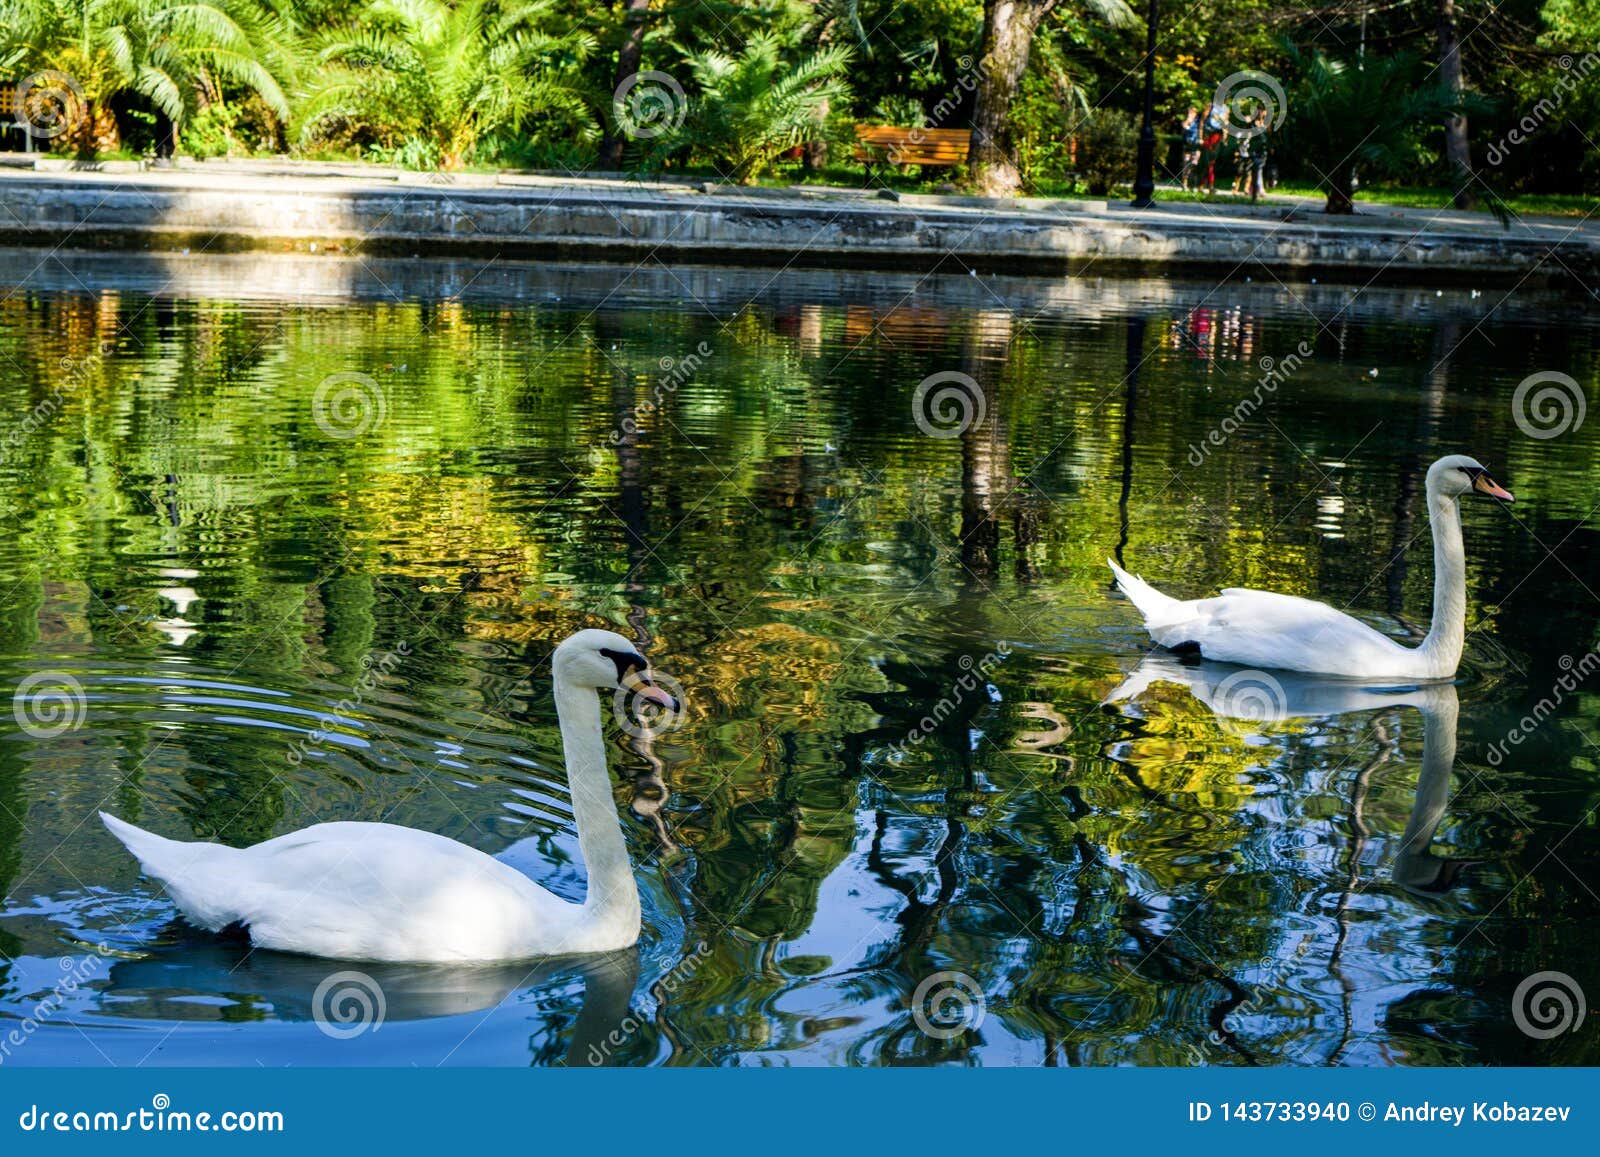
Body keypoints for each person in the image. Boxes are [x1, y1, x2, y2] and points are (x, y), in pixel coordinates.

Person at [1200, 99, 1227, 193]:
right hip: (1208, 136)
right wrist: (1200, 137)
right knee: (1207, 162)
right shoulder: (1211, 105)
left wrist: (1225, 137)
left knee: (1212, 162)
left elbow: (1225, 123)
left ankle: (1204, 185)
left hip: (1218, 137)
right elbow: (1202, 122)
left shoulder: (1225, 109)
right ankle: (1207, 185)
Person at [1247, 109, 1270, 202]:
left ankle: (1254, 190)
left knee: (1259, 169)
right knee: (1257, 169)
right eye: (1261, 112)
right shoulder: (1252, 123)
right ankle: (1258, 190)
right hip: (1254, 150)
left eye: (1263, 112)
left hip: (1263, 150)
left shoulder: (1265, 124)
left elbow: (1268, 137)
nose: (1262, 114)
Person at [1178, 107, 1201, 190]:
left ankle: (1193, 184)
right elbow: (1183, 130)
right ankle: (1184, 184)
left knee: (1195, 164)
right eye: (1189, 112)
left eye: (1193, 112)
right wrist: (1188, 120)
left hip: (1196, 146)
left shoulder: (1199, 122)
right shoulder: (1185, 122)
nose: (1191, 114)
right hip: (1187, 145)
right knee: (1186, 164)